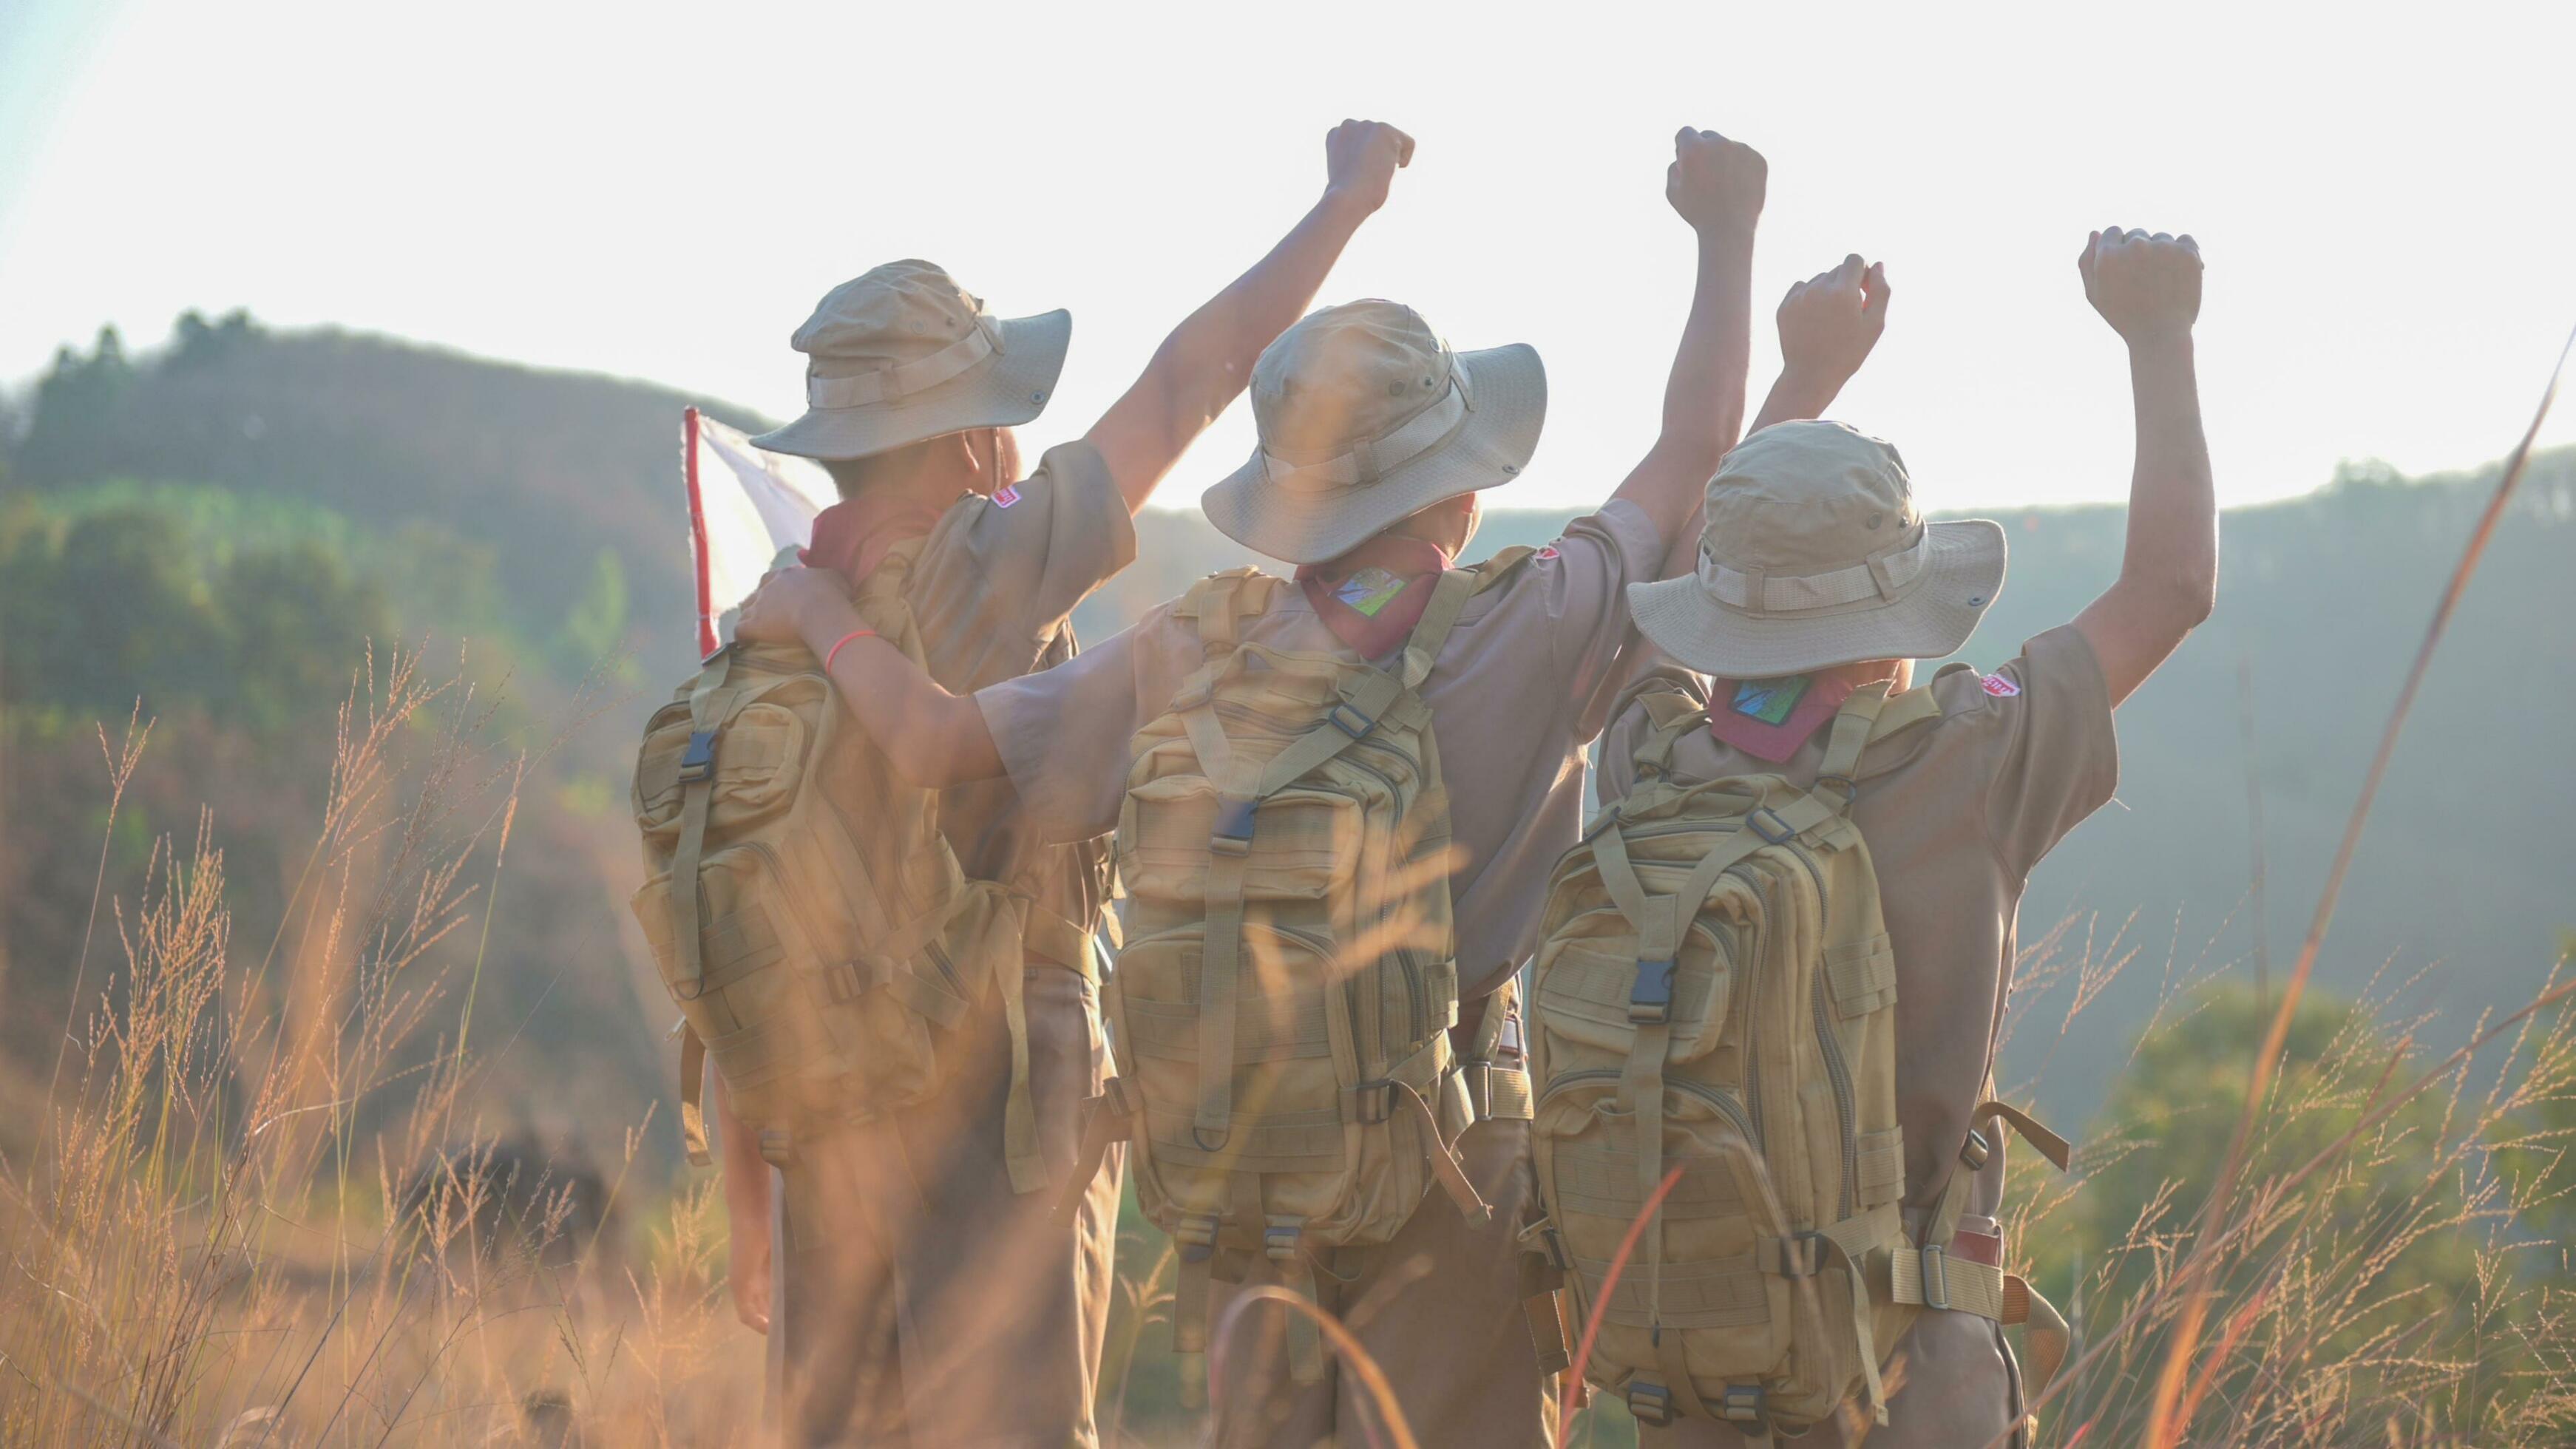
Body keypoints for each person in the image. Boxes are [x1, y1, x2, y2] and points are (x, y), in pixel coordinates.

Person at [738, 123, 1803, 1447]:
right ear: (1460, 492)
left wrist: (815, 613)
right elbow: (1693, 451)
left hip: (1247, 1184)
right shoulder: (1528, 627)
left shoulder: (1197, 642)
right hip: (1452, 1169)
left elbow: (940, 744)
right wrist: (1726, 236)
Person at [714, 118, 1420, 1448]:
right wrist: (1345, 206)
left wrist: (752, 1203)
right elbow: (1191, 380)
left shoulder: (766, 622)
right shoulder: (994, 560)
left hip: (819, 1113)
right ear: (968, 442)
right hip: (994, 1099)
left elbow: (734, 918)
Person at [1601, 225, 2212, 1445]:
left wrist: (1801, 381)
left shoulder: (1645, 753)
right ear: (1902, 608)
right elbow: (2170, 590)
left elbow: (1675, 605)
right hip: (1903, 1367)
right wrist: (2160, 339)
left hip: (1690, 1357)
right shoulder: (1966, 757)